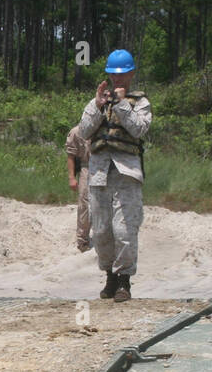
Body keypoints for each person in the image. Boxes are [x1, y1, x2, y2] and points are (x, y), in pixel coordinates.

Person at [77, 48, 152, 302]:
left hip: (126, 173)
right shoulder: (97, 100)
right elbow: (85, 131)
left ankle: (124, 281)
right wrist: (98, 106)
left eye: (123, 74)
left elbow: (139, 129)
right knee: (101, 230)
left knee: (124, 229)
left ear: (131, 74)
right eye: (114, 75)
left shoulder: (140, 103)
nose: (118, 79)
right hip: (99, 172)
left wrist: (121, 104)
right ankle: (109, 276)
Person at [65, 124, 91, 252]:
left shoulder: (104, 128)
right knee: (85, 204)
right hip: (87, 166)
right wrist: (72, 178)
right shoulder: (76, 131)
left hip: (105, 167)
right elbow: (71, 155)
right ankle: (83, 241)